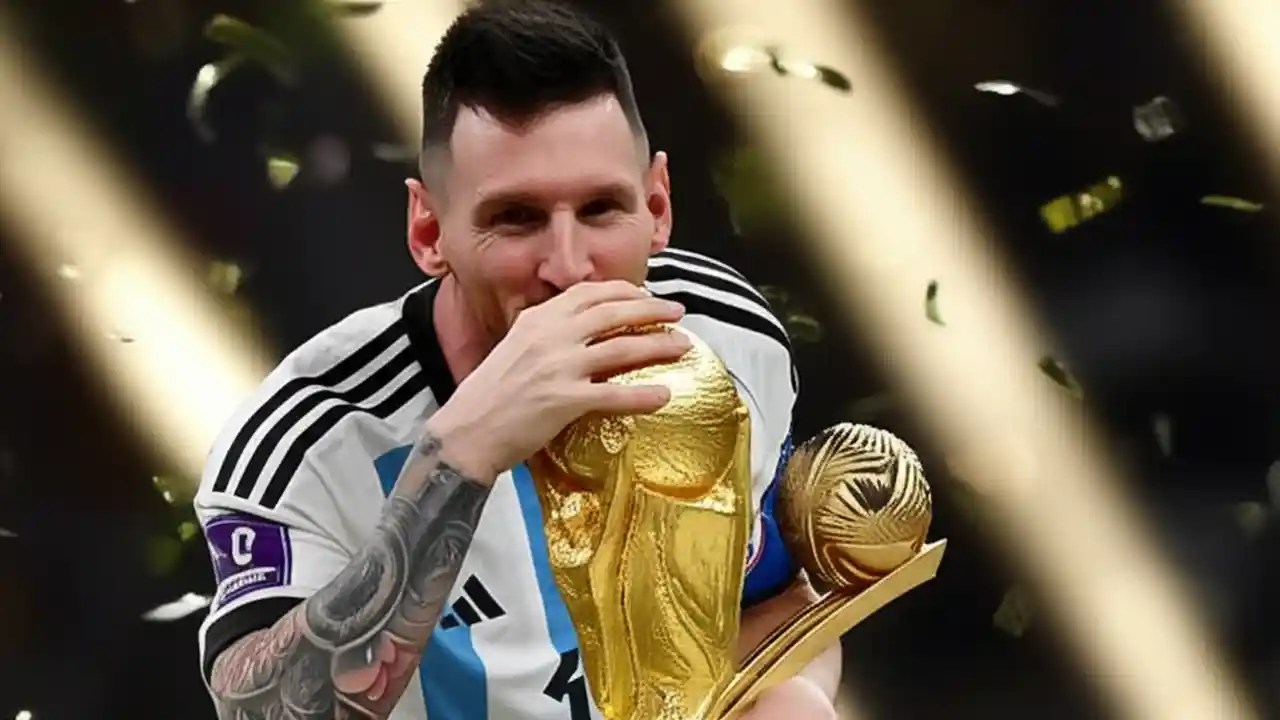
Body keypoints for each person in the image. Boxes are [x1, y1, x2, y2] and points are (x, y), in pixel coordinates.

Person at [193, 1, 841, 718]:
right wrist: (459, 454)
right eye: (517, 218)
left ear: (658, 206)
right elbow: (258, 710)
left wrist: (787, 697)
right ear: (429, 229)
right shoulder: (309, 440)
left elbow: (775, 598)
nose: (568, 267)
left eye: (601, 209)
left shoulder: (727, 334)